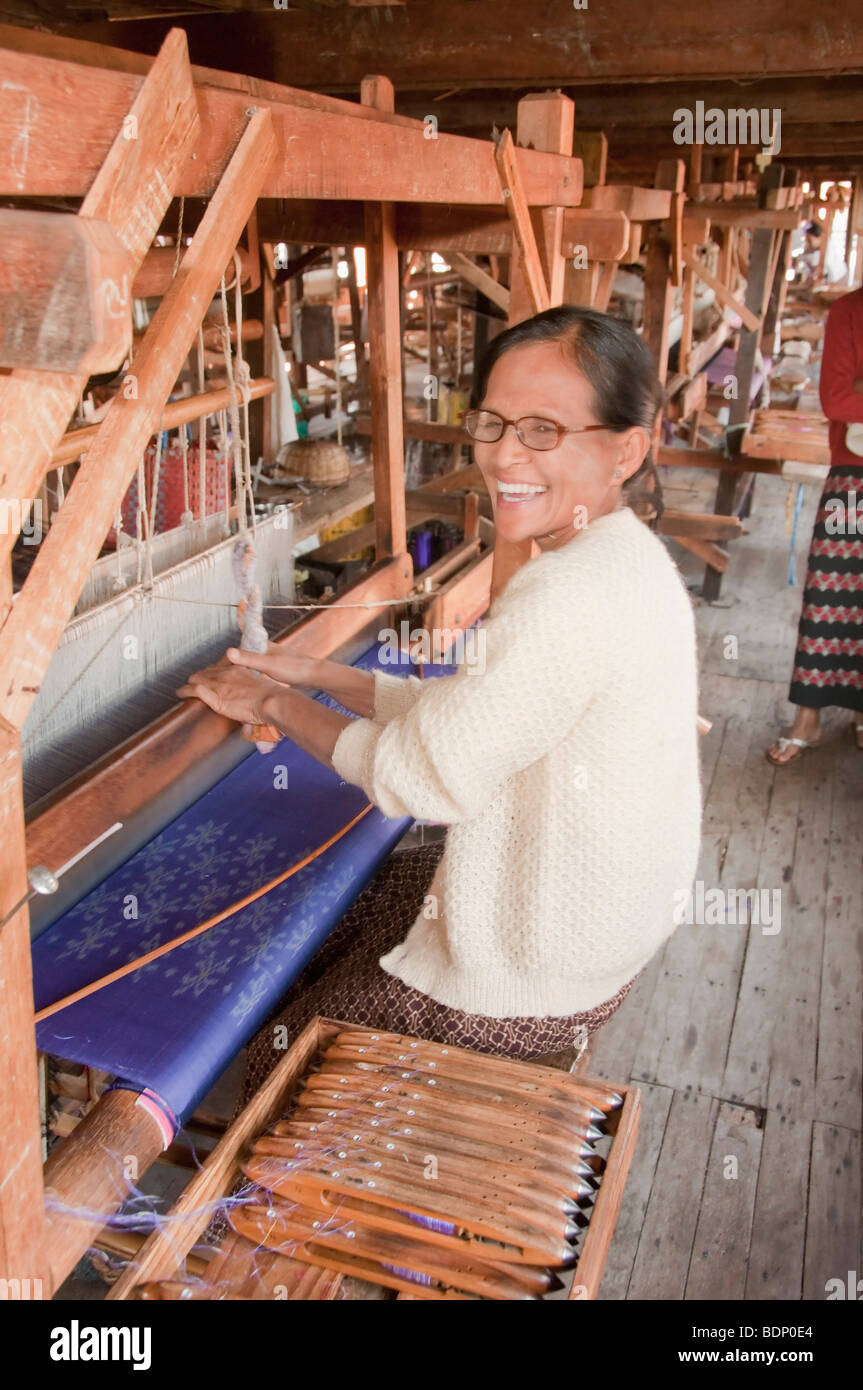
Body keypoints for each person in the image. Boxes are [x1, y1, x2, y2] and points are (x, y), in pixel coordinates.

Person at [180, 305, 702, 1088]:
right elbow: (475, 720)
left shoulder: (568, 591)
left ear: (626, 450)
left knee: (278, 1066)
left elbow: (418, 780)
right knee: (341, 917)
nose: (502, 455)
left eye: (542, 431)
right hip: (600, 931)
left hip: (537, 977)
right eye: (491, 422)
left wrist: (269, 707)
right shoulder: (624, 553)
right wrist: (321, 676)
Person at [768, 287, 863, 764]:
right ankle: (809, 714)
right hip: (855, 480)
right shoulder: (850, 311)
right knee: (832, 596)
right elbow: (836, 400)